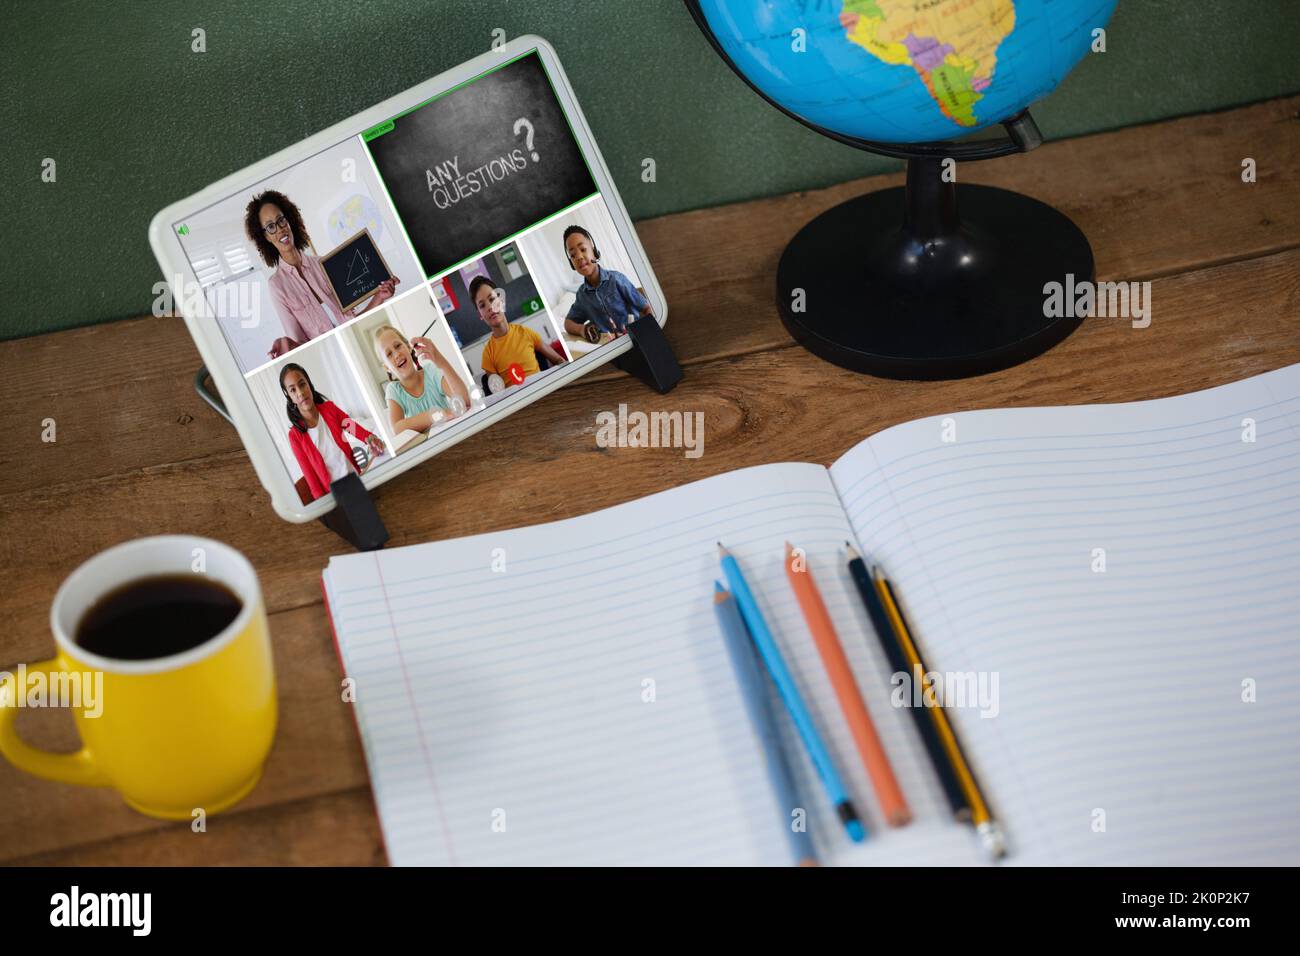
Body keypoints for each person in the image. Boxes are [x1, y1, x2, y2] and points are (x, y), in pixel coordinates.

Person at [245, 190, 397, 359]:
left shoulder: (324, 264)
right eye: (271, 226)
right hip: (332, 357)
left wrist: (380, 297)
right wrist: (287, 347)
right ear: (265, 236)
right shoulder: (276, 286)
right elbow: (300, 344)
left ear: (289, 220)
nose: (280, 229)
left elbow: (352, 321)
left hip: (359, 344)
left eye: (281, 220)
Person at [280, 363, 385, 501]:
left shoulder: (329, 409)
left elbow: (351, 427)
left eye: (302, 384)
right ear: (289, 397)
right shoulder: (295, 436)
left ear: (309, 384)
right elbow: (310, 476)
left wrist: (370, 438)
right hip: (335, 495)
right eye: (293, 390)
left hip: (356, 478)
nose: (300, 392)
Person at [373, 324, 472, 435]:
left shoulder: (431, 372)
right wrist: (438, 414)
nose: (396, 354)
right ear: (387, 367)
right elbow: (397, 428)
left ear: (409, 347)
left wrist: (440, 361)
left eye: (397, 346)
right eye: (389, 354)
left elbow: (464, 401)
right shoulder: (394, 390)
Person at [471, 276, 568, 389]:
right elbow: (497, 393)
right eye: (482, 305)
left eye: (492, 299)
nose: (489, 307)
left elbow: (559, 360)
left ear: (501, 301)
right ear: (480, 315)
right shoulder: (488, 354)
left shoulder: (526, 333)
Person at [560, 225, 652, 340]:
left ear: (594, 251)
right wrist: (582, 330)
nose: (578, 257)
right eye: (573, 255)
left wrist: (648, 333)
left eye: (583, 249)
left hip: (636, 338)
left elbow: (647, 308)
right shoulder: (582, 296)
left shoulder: (616, 279)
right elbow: (567, 324)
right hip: (611, 347)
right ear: (571, 263)